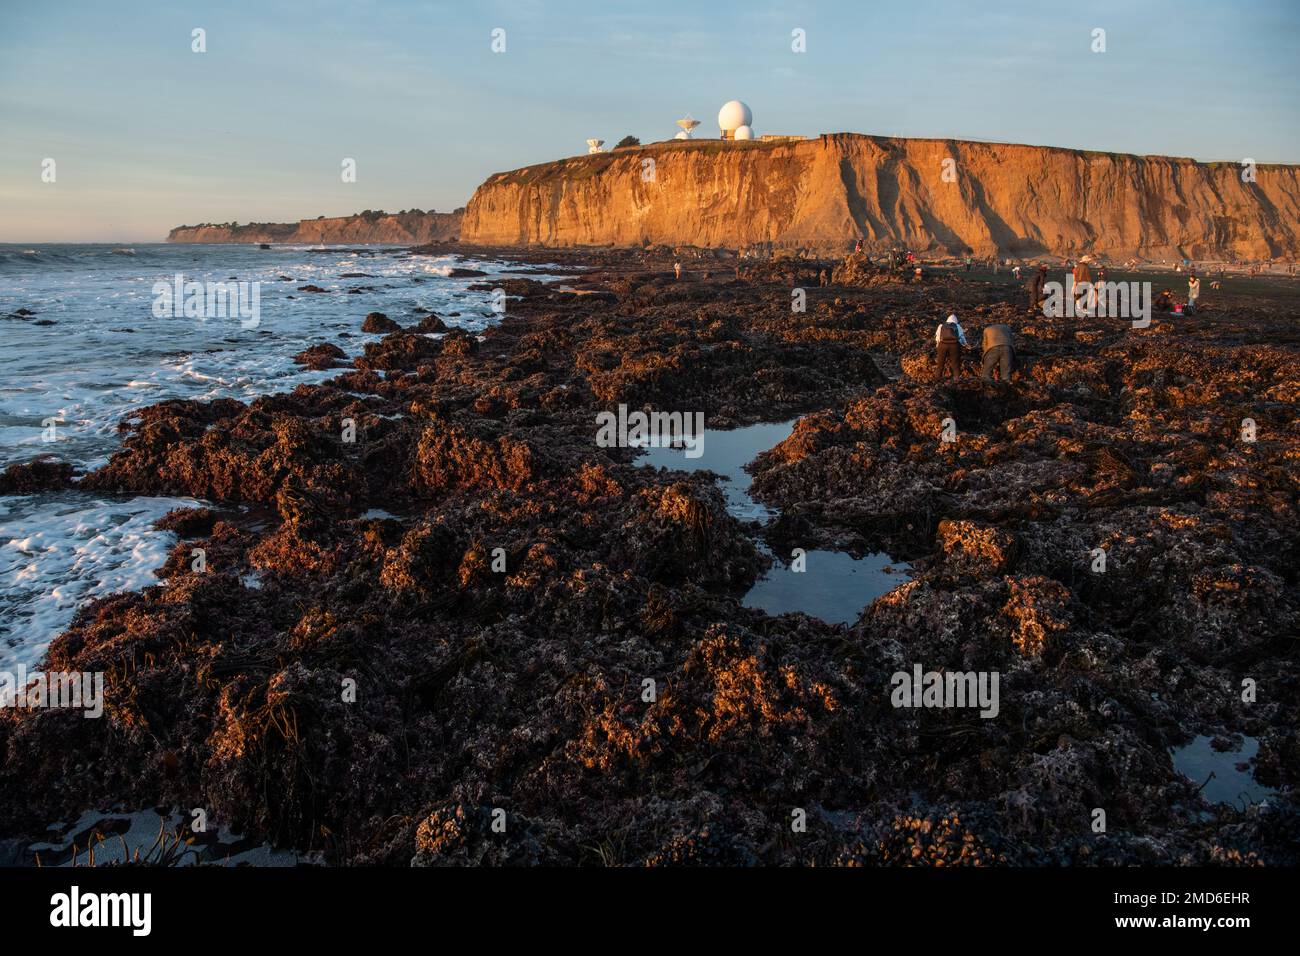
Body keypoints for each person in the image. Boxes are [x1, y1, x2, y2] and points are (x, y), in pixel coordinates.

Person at [934, 313, 966, 378]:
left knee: (940, 365)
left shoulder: (941, 326)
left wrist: (937, 345)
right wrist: (965, 344)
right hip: (954, 346)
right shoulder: (957, 326)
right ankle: (957, 379)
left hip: (942, 345)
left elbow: (937, 337)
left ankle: (937, 379)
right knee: (955, 365)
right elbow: (961, 337)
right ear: (956, 320)